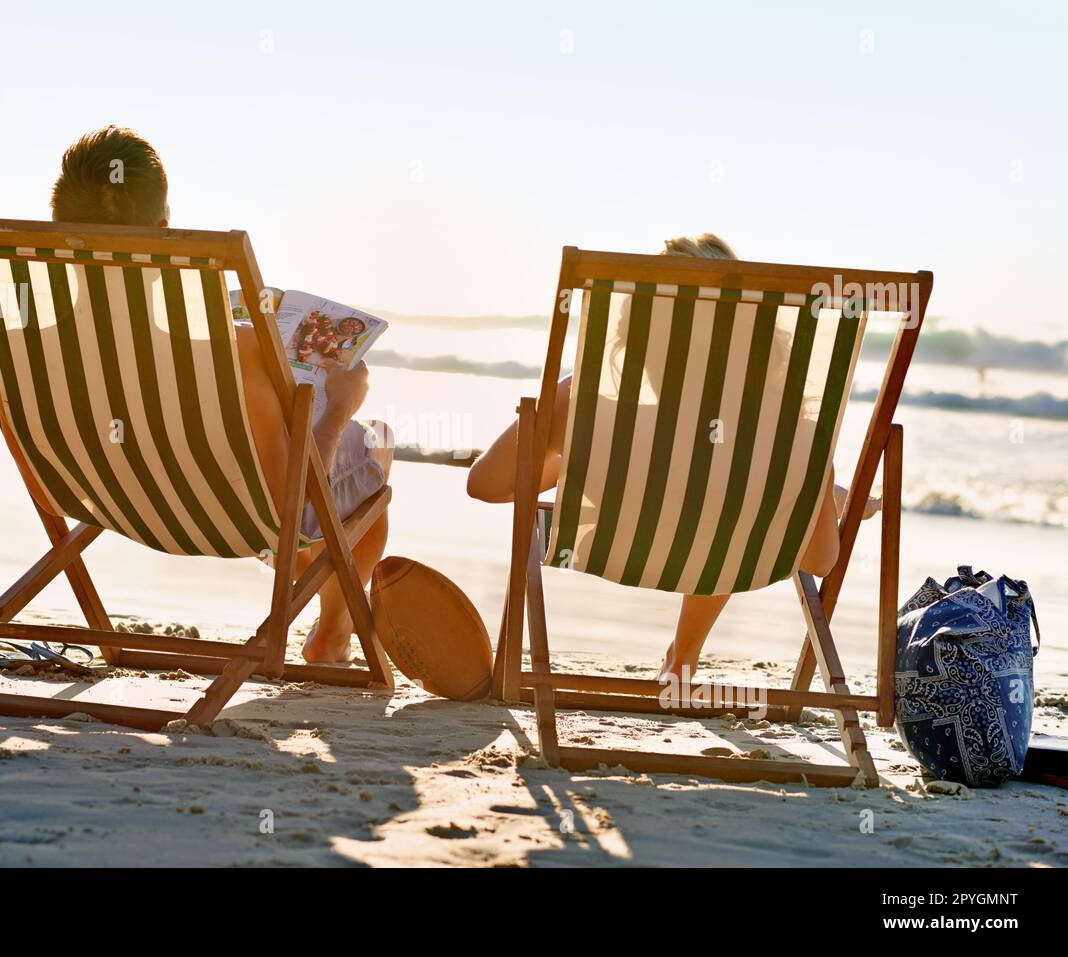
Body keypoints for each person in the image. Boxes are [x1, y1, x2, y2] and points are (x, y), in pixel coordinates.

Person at [466, 233, 879, 681]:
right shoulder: (794, 436)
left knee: (708, 487)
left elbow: (485, 484)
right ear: (754, 335)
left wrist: (568, 451)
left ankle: (683, 648)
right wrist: (820, 486)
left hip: (618, 531)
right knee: (728, 501)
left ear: (636, 333)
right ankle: (682, 660)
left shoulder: (585, 404)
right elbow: (819, 561)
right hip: (730, 532)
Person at [50, 125, 391, 664]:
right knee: (371, 444)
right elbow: (293, 505)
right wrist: (341, 405)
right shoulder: (228, 347)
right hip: (228, 514)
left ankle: (328, 614)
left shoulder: (24, 345)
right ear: (164, 229)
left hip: (98, 498)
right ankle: (334, 630)